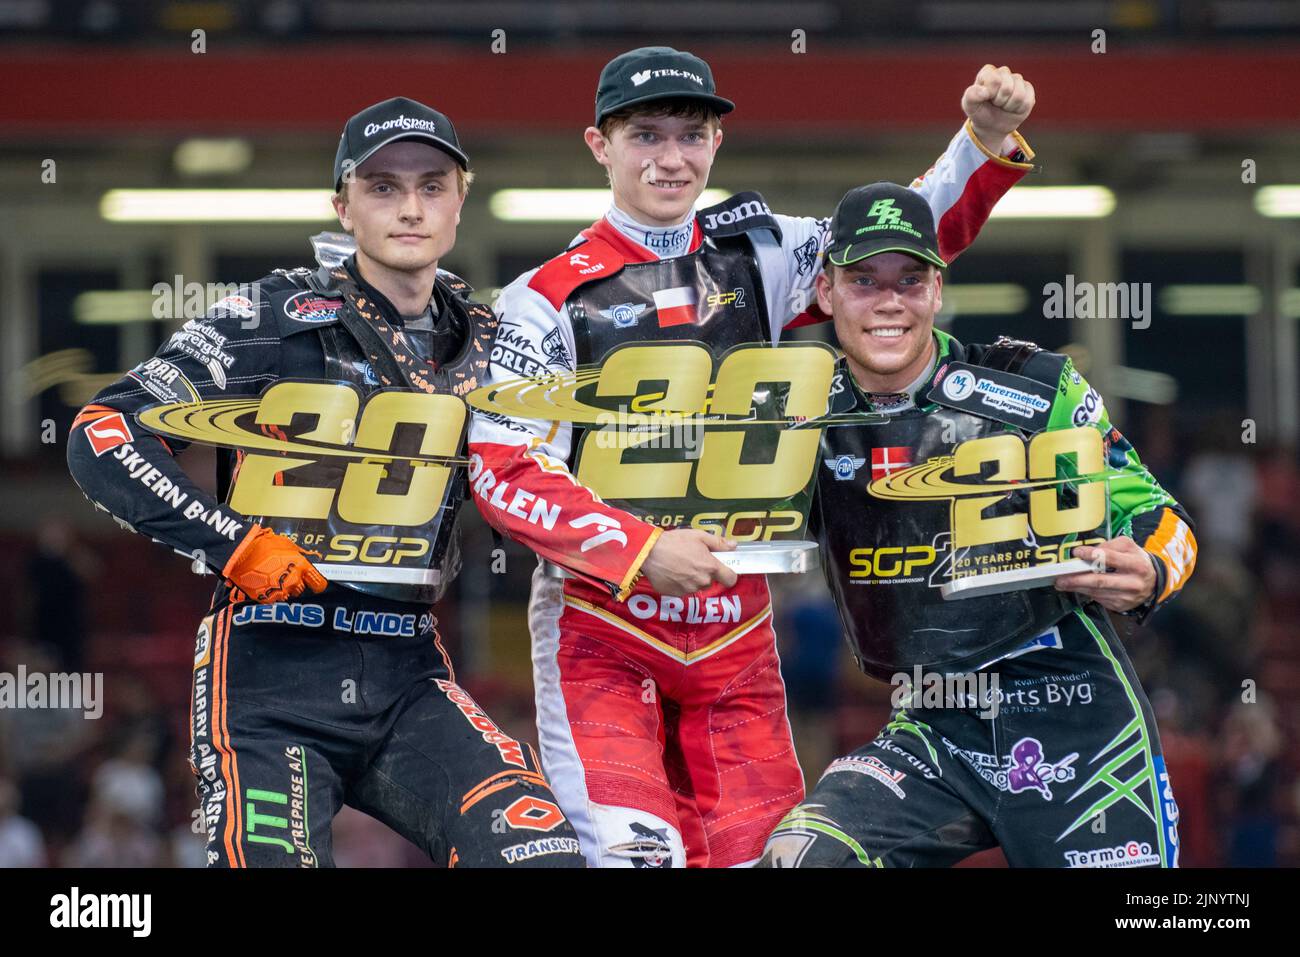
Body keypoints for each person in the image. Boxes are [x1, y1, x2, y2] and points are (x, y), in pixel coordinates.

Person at [468, 46, 1038, 867]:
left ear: (716, 145)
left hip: (736, 632)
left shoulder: (765, 252)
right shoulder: (544, 298)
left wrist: (980, 140)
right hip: (600, 633)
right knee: (641, 856)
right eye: (646, 135)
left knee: (768, 860)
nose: (671, 157)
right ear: (600, 145)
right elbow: (501, 467)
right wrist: (641, 550)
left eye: (691, 135)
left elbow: (896, 247)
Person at [67, 97, 585, 868]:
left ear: (459, 200)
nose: (410, 208)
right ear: (342, 205)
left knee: (545, 857)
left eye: (431, 186)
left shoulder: (494, 342)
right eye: (382, 187)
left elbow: (556, 480)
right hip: (268, 676)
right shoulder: (271, 313)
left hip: (408, 668)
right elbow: (101, 432)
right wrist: (233, 543)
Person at [758, 183, 1197, 867]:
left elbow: (1157, 512)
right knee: (804, 857)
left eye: (909, 279)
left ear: (937, 288)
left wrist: (1150, 567)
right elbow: (718, 538)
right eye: (863, 280)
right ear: (827, 290)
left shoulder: (1033, 388)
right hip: (930, 724)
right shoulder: (796, 415)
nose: (889, 301)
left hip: (1074, 716)